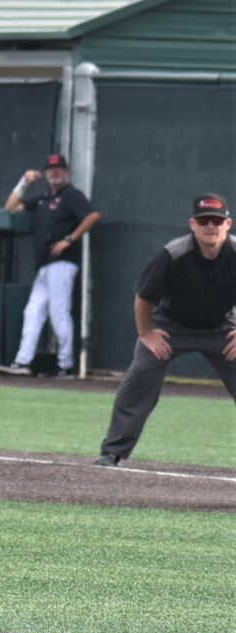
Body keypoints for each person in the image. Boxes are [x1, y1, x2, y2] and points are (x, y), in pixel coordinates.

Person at [94, 193, 236, 467]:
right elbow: (144, 297)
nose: (210, 226)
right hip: (171, 327)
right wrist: (146, 333)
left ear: (227, 224)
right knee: (139, 379)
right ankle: (113, 451)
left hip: (221, 328)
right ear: (192, 224)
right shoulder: (174, 253)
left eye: (216, 221)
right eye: (204, 220)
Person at [0, 154, 102, 379]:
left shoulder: (72, 195)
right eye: (51, 170)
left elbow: (92, 216)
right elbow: (10, 207)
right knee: (32, 313)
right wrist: (24, 181)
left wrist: (69, 239)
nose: (55, 173)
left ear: (67, 171)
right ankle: (22, 362)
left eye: (59, 169)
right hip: (43, 265)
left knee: (59, 312)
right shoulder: (42, 198)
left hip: (62, 263)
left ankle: (65, 365)